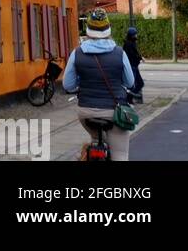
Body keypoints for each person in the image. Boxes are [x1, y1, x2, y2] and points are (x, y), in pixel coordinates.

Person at [62, 9, 136, 161]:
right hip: (114, 112)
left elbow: (68, 85)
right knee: (120, 154)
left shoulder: (77, 53)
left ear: (88, 30)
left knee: (96, 138)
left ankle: (94, 147)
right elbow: (130, 82)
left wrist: (82, 81)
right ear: (108, 29)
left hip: (86, 112)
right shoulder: (119, 53)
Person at [123, 27, 145, 103]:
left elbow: (135, 53)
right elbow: (132, 55)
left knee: (140, 83)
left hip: (134, 66)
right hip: (131, 66)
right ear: (132, 35)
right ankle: (129, 99)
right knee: (134, 84)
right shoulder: (128, 44)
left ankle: (130, 98)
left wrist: (140, 57)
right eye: (135, 34)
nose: (136, 36)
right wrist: (139, 58)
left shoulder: (132, 43)